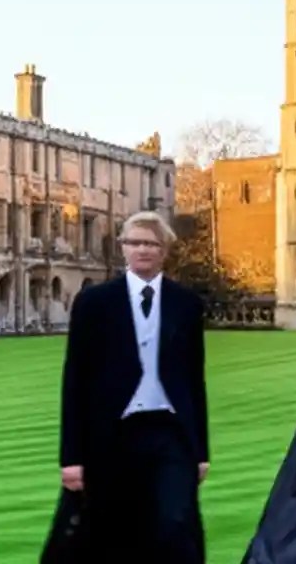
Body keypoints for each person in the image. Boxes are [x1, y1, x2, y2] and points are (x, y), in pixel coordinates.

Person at [54, 211, 210, 562]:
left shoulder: (186, 304)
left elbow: (194, 380)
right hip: (112, 431)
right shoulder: (94, 303)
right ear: (122, 248)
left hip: (170, 432)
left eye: (151, 243)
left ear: (164, 250)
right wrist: (71, 458)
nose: (142, 249)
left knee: (176, 523)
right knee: (113, 529)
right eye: (134, 242)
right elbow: (75, 379)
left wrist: (201, 451)